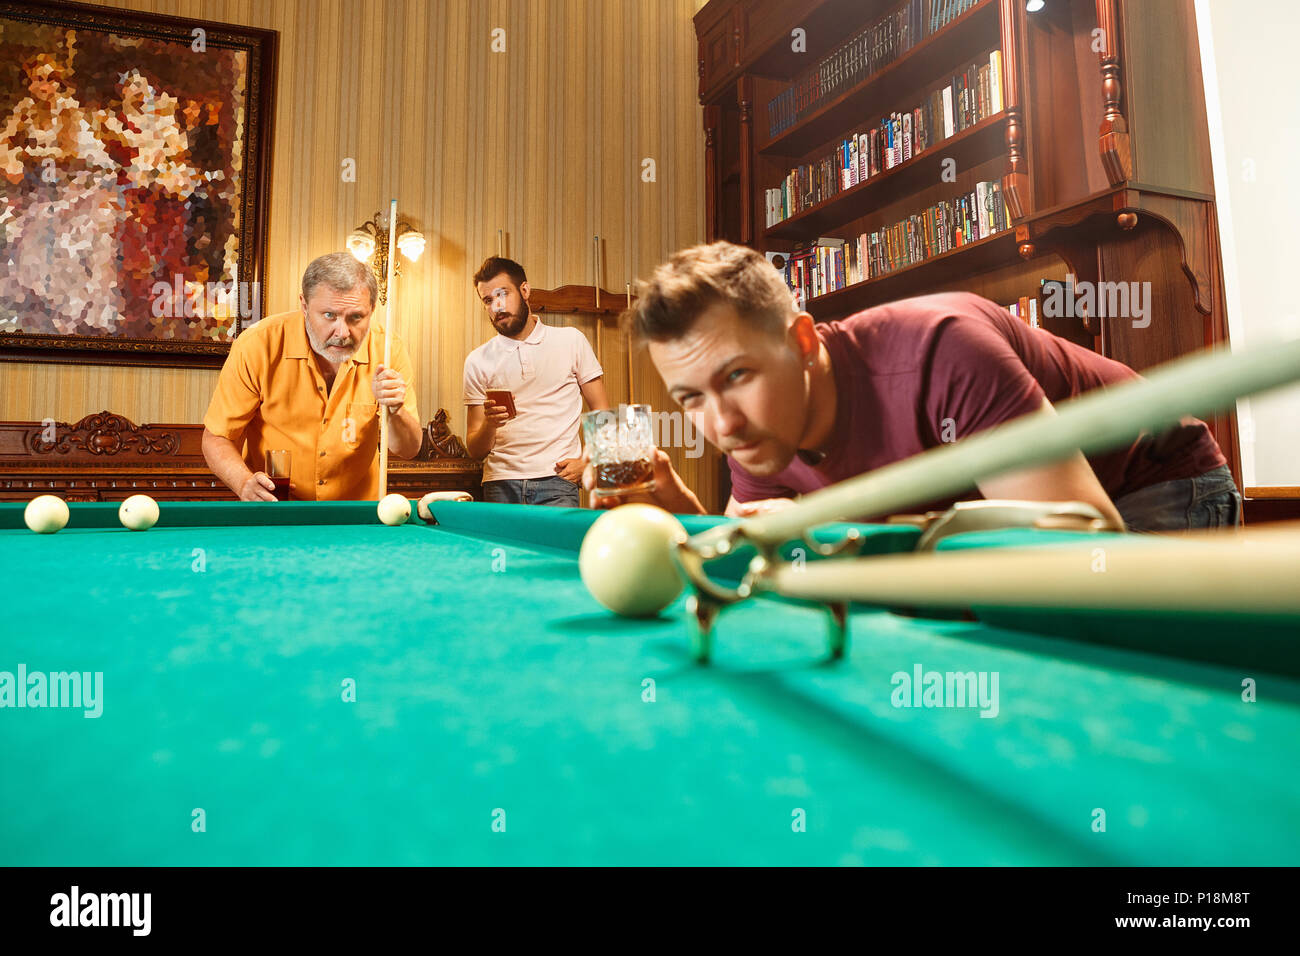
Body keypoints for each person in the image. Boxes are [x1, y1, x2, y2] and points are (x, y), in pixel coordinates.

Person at [595, 241, 1239, 532]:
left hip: (1152, 484)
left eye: (737, 376)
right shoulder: (763, 435)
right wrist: (681, 515)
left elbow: (1080, 542)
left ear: (802, 342)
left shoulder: (941, 347)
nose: (723, 425)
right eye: (691, 399)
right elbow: (755, 549)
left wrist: (847, 535)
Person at [202, 252, 421, 500]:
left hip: (357, 520)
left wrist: (397, 410)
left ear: (371, 310)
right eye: (329, 315)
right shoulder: (257, 345)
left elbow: (409, 449)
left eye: (356, 317)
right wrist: (243, 484)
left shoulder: (389, 350)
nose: (342, 332)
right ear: (304, 306)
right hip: (276, 513)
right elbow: (216, 438)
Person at [463, 256, 609, 507]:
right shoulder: (477, 360)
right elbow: (475, 450)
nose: (497, 306)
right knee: (501, 549)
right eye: (488, 300)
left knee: (558, 548)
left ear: (525, 290)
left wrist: (590, 461)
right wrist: (489, 424)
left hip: (558, 481)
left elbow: (603, 411)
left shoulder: (571, 340)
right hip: (500, 484)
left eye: (503, 294)